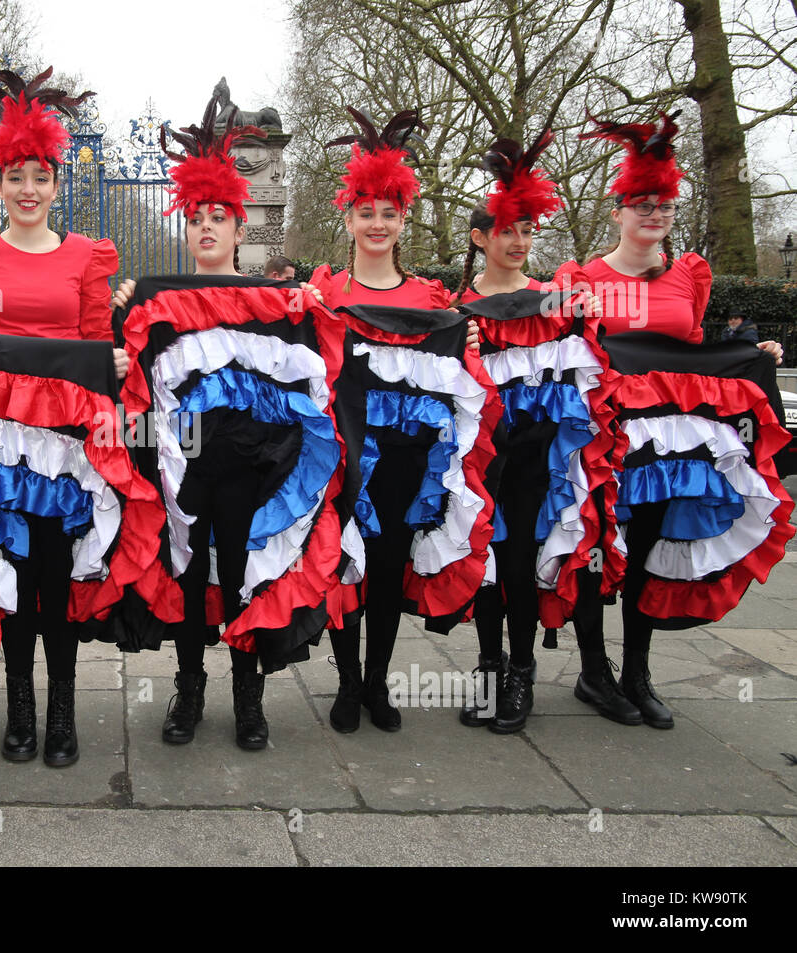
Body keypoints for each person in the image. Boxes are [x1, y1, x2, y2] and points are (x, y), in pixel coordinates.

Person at [562, 111, 784, 729]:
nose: (652, 214)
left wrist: (749, 357)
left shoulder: (688, 275)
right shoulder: (584, 279)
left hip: (671, 443)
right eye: (640, 204)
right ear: (618, 211)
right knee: (594, 550)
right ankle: (593, 671)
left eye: (661, 204)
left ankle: (637, 671)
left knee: (649, 550)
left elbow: (692, 352)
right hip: (602, 438)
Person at [112, 97, 311, 751]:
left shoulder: (268, 300)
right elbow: (127, 373)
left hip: (248, 460)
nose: (205, 228)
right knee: (190, 577)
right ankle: (190, 689)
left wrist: (306, 306)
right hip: (185, 458)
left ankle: (248, 699)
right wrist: (120, 312)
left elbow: (304, 361)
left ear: (236, 227)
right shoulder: (159, 300)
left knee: (242, 577)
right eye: (195, 217)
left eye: (218, 218)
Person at [0, 67, 124, 767]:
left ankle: (62, 709)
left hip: (63, 445)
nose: (27, 189)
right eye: (15, 176)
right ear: (0, 183)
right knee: (13, 575)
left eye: (40, 177)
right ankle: (19, 705)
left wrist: (108, 377)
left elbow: (94, 339)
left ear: (56, 186)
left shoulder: (86, 255)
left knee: (55, 576)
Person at [308, 107, 482, 735]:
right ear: (348, 217)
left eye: (388, 212)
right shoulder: (324, 293)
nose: (376, 223)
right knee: (343, 563)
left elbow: (457, 370)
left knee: (385, 568)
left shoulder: (433, 300)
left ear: (403, 218)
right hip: (345, 453)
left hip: (408, 457)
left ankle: (377, 681)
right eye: (365, 212)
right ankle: (347, 682)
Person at [451, 131, 608, 734]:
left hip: (536, 455)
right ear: (480, 237)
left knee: (517, 561)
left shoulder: (557, 305)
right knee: (486, 561)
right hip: (482, 455)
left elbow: (599, 369)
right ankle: (489, 670)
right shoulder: (457, 310)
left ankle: (519, 674)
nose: (518, 241)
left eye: (526, 230)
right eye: (507, 230)